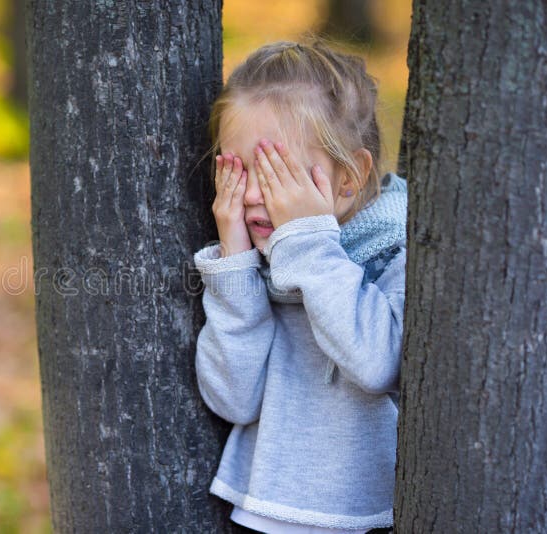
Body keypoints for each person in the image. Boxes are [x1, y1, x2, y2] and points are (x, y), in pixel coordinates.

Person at [192, 39, 406, 534]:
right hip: (260, 512)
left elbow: (378, 364)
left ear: (349, 178)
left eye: (274, 174)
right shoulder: (256, 262)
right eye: (235, 172)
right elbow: (233, 399)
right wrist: (236, 265)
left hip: (367, 519)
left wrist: (307, 246)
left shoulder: (397, 248)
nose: (246, 196)